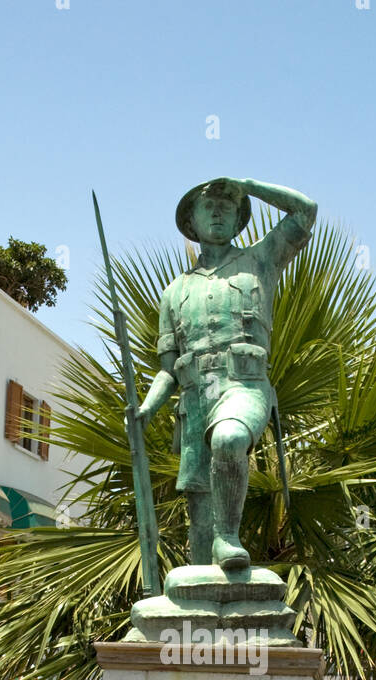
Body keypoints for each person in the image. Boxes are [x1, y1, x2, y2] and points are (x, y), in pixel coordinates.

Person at [135, 177, 316, 570]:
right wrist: (148, 408)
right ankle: (197, 603)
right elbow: (168, 369)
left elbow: (306, 210)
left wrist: (249, 185)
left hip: (243, 385)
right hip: (195, 398)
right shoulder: (175, 291)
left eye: (228, 207)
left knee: (230, 438)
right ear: (192, 222)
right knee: (198, 515)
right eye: (209, 207)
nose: (218, 212)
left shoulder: (261, 259)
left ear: (239, 220)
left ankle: (228, 538)